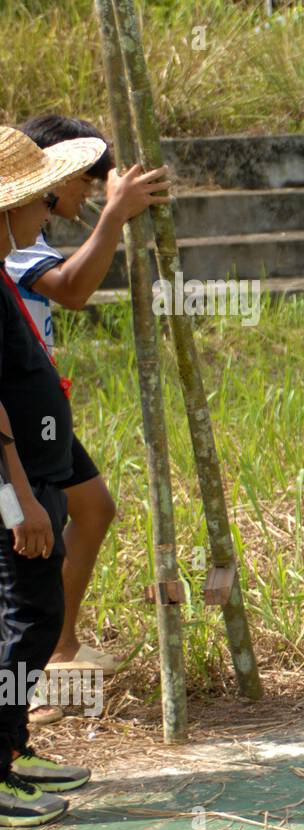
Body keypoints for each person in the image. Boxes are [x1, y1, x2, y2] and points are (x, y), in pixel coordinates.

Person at [4, 115, 170, 722]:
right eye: (83, 181)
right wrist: (115, 216)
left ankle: (58, 648)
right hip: (15, 434)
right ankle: (25, 693)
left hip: (36, 421)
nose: (86, 194)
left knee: (93, 509)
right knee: (25, 570)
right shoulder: (16, 241)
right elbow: (73, 289)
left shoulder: (30, 232)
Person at [0, 125, 106, 826]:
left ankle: (13, 747)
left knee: (31, 615)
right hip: (16, 487)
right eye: (38, 200)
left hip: (34, 476)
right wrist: (21, 499)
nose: (47, 211)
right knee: (26, 618)